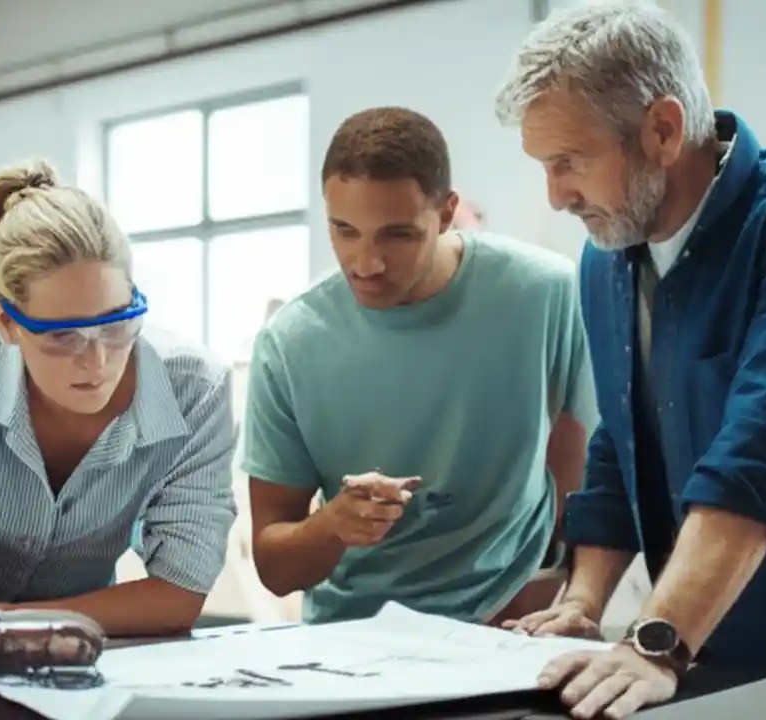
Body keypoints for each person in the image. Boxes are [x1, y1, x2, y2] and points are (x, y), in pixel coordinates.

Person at [494, 5, 766, 718]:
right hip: (702, 664)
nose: (556, 195)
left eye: (568, 162)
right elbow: (619, 441)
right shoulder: (606, 257)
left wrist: (655, 641)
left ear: (663, 130)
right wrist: (582, 602)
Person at [243, 106, 597, 626]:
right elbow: (275, 565)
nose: (366, 263)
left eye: (398, 235)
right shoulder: (289, 343)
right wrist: (333, 526)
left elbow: (581, 467)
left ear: (447, 212)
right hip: (356, 636)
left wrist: (566, 595)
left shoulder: (546, 292)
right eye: (345, 231)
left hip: (513, 619)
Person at [0, 159, 237, 637]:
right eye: (62, 336)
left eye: (115, 324)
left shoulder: (195, 389)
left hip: (77, 652)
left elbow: (179, 592)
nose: (97, 362)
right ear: (6, 324)